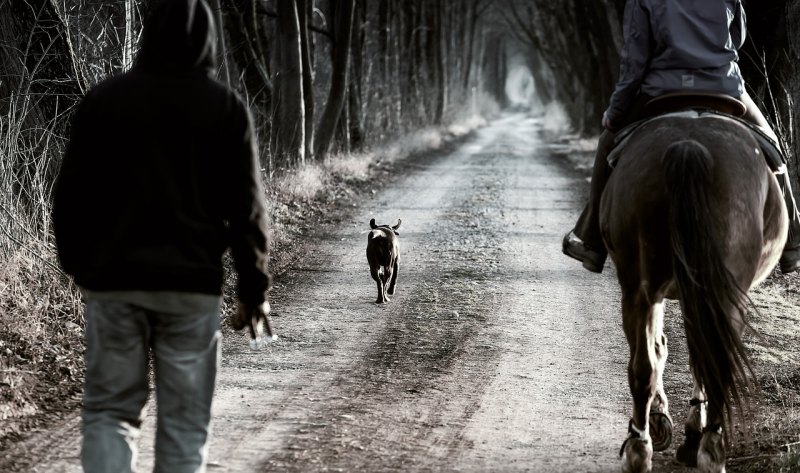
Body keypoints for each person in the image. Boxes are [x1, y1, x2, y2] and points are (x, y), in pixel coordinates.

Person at [52, 0, 271, 471]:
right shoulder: (226, 109)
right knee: (185, 426)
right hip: (190, 292)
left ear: (149, 34)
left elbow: (69, 196)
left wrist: (80, 267)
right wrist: (253, 291)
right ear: (207, 42)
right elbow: (247, 209)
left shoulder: (105, 101)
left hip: (115, 285)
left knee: (110, 413)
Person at [562, 0, 800, 274]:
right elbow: (738, 38)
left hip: (663, 90)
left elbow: (634, 63)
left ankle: (592, 243)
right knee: (772, 146)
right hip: (722, 88)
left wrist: (615, 112)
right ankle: (792, 243)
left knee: (607, 142)